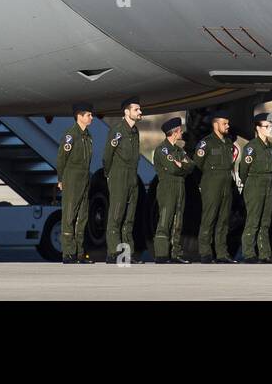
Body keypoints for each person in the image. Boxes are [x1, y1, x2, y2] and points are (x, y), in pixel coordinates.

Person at [103, 97, 144, 263]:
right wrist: (109, 174)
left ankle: (126, 254)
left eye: (140, 110)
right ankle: (113, 253)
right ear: (127, 112)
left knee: (129, 218)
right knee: (116, 216)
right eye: (136, 110)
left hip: (132, 176)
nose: (140, 112)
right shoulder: (117, 131)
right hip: (119, 176)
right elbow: (107, 156)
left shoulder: (135, 131)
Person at [56, 101, 95, 264]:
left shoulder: (88, 136)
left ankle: (79, 253)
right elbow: (61, 159)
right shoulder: (71, 135)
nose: (91, 117)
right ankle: (68, 253)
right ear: (80, 116)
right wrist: (61, 179)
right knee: (69, 215)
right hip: (72, 177)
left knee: (82, 216)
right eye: (88, 115)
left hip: (85, 177)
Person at [193, 112, 236, 264]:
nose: (227, 126)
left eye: (228, 123)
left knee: (223, 220)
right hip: (211, 185)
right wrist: (203, 183)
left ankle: (222, 253)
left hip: (226, 185)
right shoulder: (206, 143)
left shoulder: (228, 143)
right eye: (225, 123)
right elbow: (197, 164)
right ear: (216, 124)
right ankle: (205, 253)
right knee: (209, 219)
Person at [152, 117, 195, 264]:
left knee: (178, 221)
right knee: (165, 219)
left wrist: (181, 165)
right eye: (179, 130)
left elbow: (191, 166)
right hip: (167, 186)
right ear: (174, 132)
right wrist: (181, 166)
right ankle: (161, 254)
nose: (181, 132)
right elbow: (172, 168)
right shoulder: (162, 150)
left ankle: (175, 253)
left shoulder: (179, 150)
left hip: (180, 186)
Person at [238, 112, 272, 263]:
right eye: (266, 126)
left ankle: (264, 254)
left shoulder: (271, 148)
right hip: (254, 183)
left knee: (265, 221)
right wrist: (248, 184)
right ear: (258, 128)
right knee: (253, 221)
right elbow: (243, 169)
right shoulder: (251, 147)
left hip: (269, 183)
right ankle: (248, 253)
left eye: (270, 126)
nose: (269, 128)